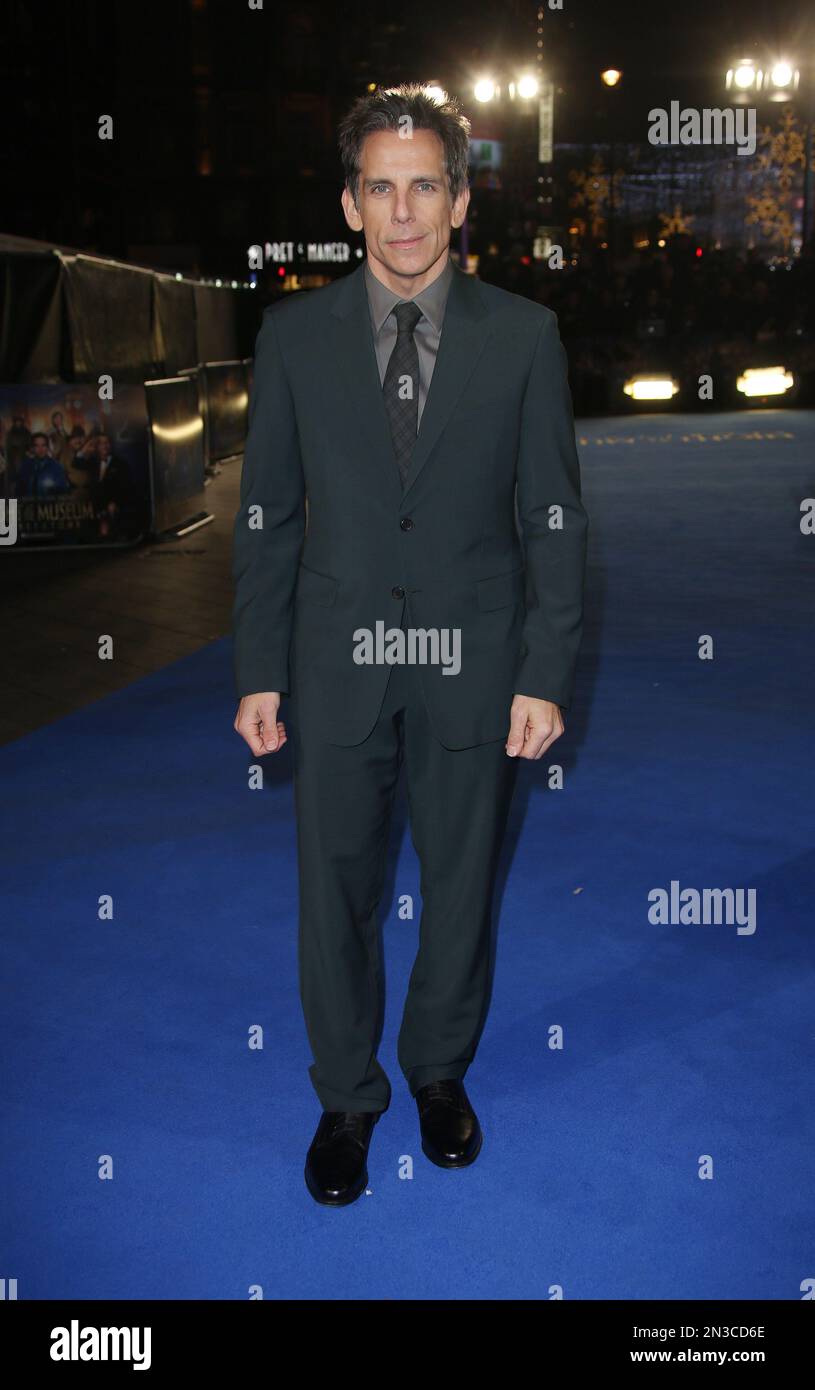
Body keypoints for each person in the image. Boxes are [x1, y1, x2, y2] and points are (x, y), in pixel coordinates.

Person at [231, 83, 589, 1206]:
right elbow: (269, 515)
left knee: (460, 878)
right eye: (378, 188)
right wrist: (258, 666)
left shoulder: (525, 337)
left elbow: (553, 518)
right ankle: (346, 1094)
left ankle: (438, 1071)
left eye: (422, 185)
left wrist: (543, 671)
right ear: (348, 204)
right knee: (330, 886)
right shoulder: (291, 337)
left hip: (472, 662)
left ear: (458, 199)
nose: (401, 212)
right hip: (335, 661)